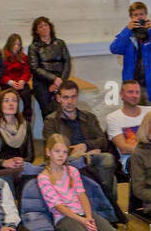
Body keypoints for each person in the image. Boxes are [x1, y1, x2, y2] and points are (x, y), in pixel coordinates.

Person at [41, 79, 120, 215]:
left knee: (107, 158)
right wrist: (81, 153)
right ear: (59, 98)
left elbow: (103, 141)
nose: (70, 101)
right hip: (67, 160)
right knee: (89, 164)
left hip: (90, 157)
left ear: (77, 97)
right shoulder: (51, 121)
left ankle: (103, 208)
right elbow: (52, 148)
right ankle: (103, 208)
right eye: (66, 97)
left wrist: (86, 146)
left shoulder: (89, 117)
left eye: (73, 97)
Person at [109, 1, 151, 104]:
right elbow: (114, 48)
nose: (139, 17)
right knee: (132, 117)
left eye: (141, 14)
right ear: (131, 17)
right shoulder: (128, 36)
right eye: (135, 15)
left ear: (146, 15)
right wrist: (127, 30)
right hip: (131, 88)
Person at [0, 89, 41, 186]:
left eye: (14, 100)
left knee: (36, 171)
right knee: (20, 173)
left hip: (19, 167)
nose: (11, 104)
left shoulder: (25, 125)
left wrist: (21, 161)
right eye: (6, 101)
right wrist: (3, 163)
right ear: (0, 105)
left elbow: (31, 156)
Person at [106, 80, 151, 176]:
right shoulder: (113, 117)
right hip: (131, 160)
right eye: (130, 92)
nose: (134, 95)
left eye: (137, 92)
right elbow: (124, 148)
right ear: (121, 94)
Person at [27, 16, 72, 122]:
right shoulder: (33, 47)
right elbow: (35, 68)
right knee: (48, 113)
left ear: (50, 27)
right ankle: (51, 137)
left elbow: (67, 63)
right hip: (42, 82)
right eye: (40, 26)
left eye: (45, 25)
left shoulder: (60, 43)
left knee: (64, 110)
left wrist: (59, 81)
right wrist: (53, 79)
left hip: (60, 80)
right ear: (37, 31)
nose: (44, 28)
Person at [0, 33, 32, 108]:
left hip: (20, 83)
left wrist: (22, 81)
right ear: (9, 44)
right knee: (8, 98)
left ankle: (27, 117)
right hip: (7, 83)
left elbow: (27, 72)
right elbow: (0, 74)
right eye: (14, 44)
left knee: (26, 95)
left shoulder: (23, 57)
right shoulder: (2, 57)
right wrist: (10, 82)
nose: (16, 47)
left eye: (18, 45)